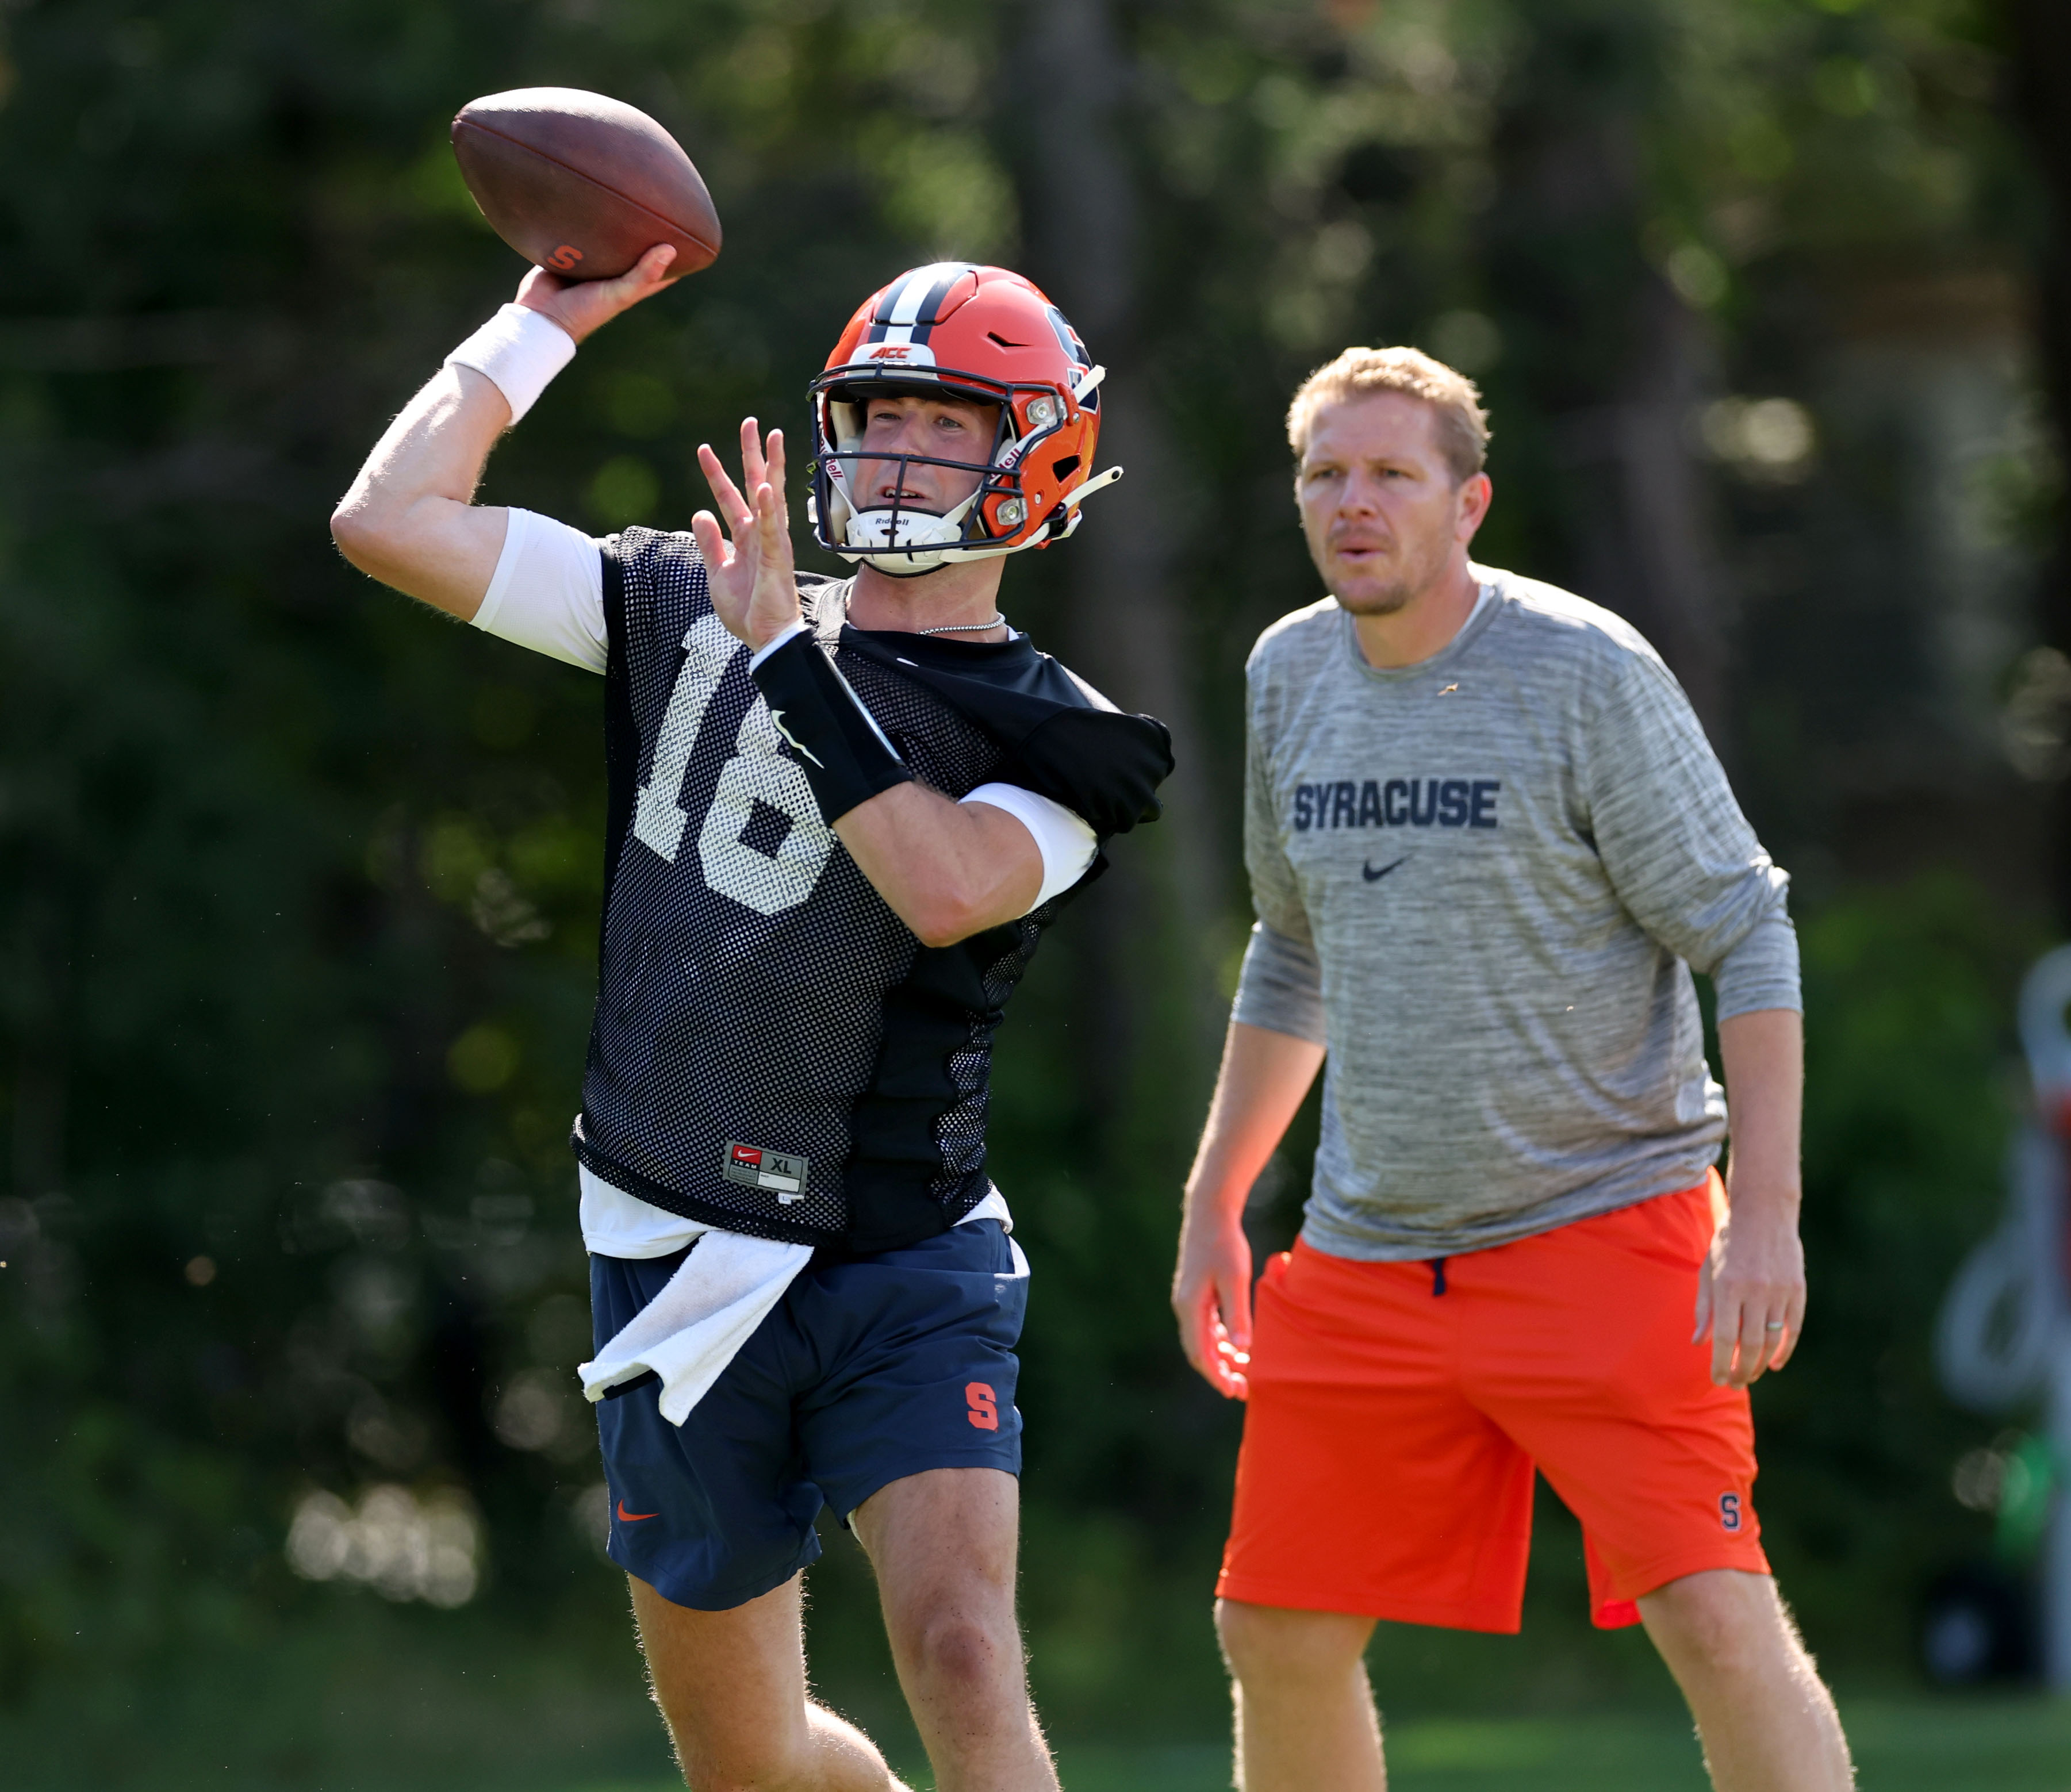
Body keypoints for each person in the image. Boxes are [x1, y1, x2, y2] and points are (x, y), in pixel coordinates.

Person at [332, 248, 1169, 1792]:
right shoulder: (697, 597)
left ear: (1040, 453)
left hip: (901, 1247)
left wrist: (788, 649)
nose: (900, 453)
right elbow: (387, 522)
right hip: (668, 1236)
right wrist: (541, 324)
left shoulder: (1058, 726)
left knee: (966, 1649)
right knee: (756, 1761)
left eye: (947, 423)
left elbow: (937, 882)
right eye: (883, 415)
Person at [1171, 346, 1854, 1792]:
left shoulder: (1584, 670)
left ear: (1468, 500)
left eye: (1392, 474)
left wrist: (1769, 1212)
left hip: (1611, 1231)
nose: (1354, 503)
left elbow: (1749, 926)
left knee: (1715, 1618)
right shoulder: (1288, 671)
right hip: (1368, 1256)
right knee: (1275, 1626)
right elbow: (1292, 951)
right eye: (1325, 474)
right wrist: (1216, 1198)